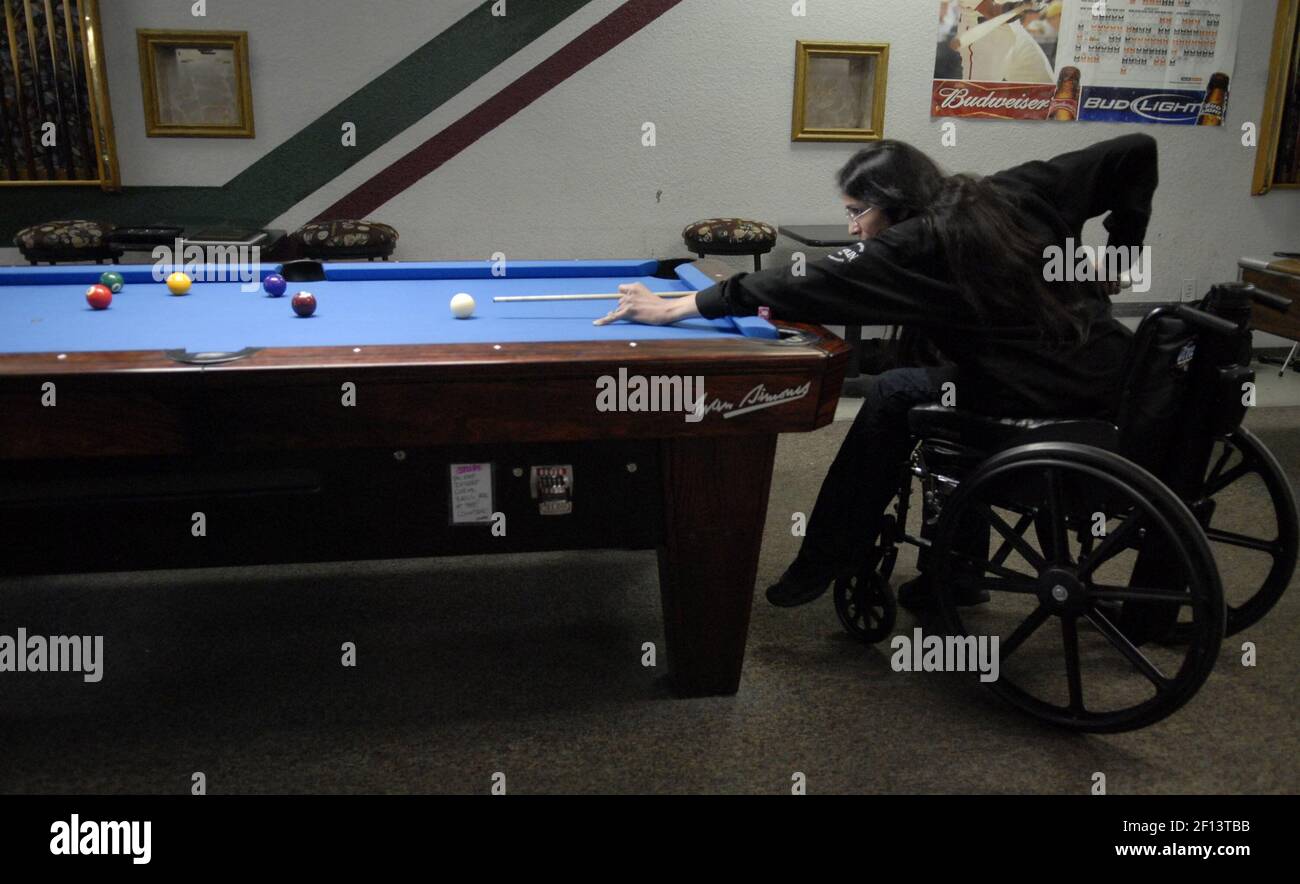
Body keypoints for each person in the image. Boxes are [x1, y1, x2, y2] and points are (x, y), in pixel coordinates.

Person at [596, 133, 1158, 609]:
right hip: (1121, 375)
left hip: (1037, 397)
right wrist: (1122, 255)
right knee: (927, 376)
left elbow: (796, 283)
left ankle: (826, 557)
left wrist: (677, 307)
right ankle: (955, 570)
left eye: (857, 213)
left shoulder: (914, 246)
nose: (857, 229)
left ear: (893, 204)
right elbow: (1136, 149)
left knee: (894, 391)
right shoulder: (1013, 190)